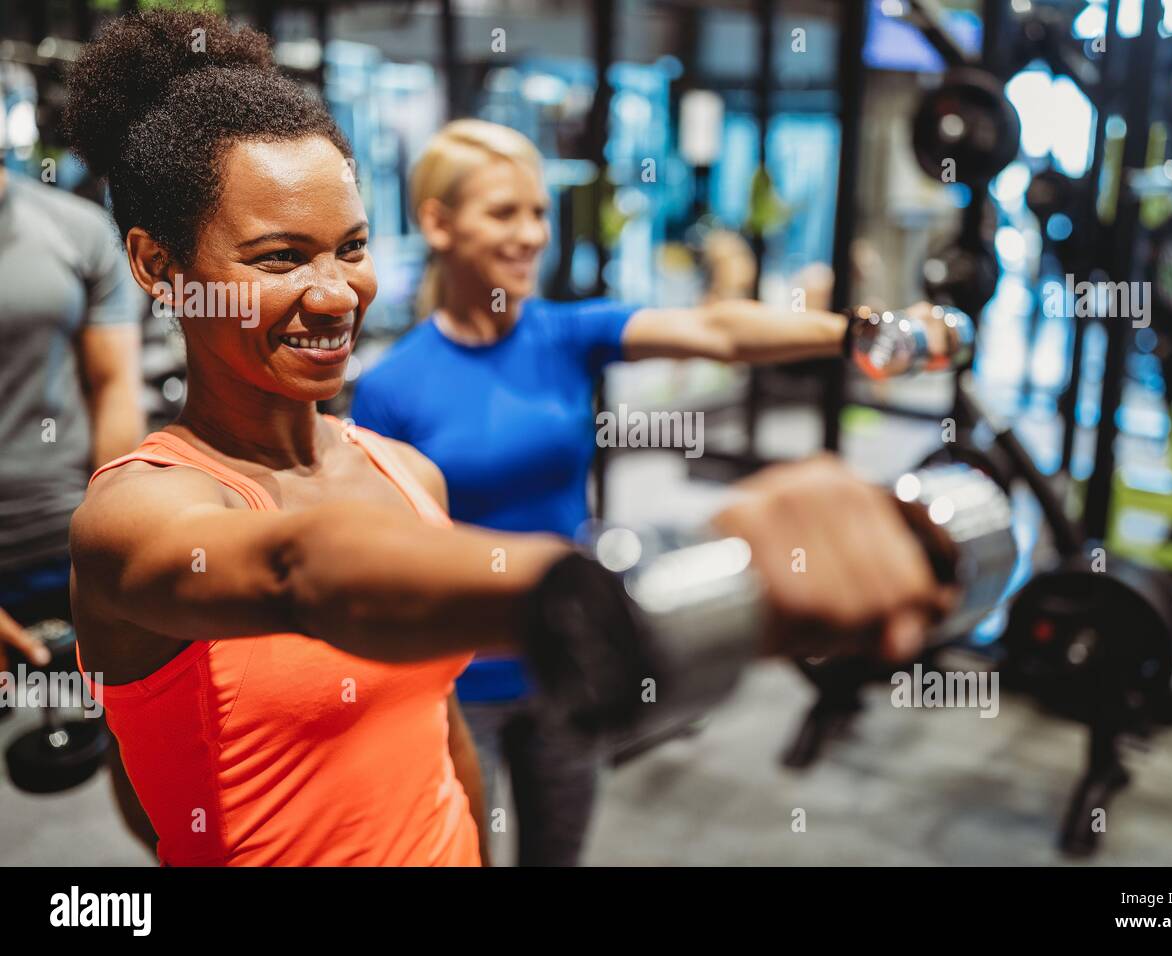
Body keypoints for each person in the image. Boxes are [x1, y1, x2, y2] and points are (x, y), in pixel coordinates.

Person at [63, 11, 944, 867]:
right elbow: (301, 570)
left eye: (353, 246)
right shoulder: (132, 514)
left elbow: (439, 738)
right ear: (156, 268)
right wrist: (655, 586)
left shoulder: (406, 475)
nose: (335, 294)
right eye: (279, 258)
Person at [351, 118, 940, 865]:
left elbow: (719, 329)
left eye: (539, 212)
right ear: (438, 222)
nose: (532, 234)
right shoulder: (392, 388)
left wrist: (859, 333)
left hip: (573, 657)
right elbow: (386, 556)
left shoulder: (564, 335)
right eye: (505, 213)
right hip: (461, 685)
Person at [0, 159, 155, 847]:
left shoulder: (75, 229)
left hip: (71, 536)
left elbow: (115, 385)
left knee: (147, 768)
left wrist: (106, 535)